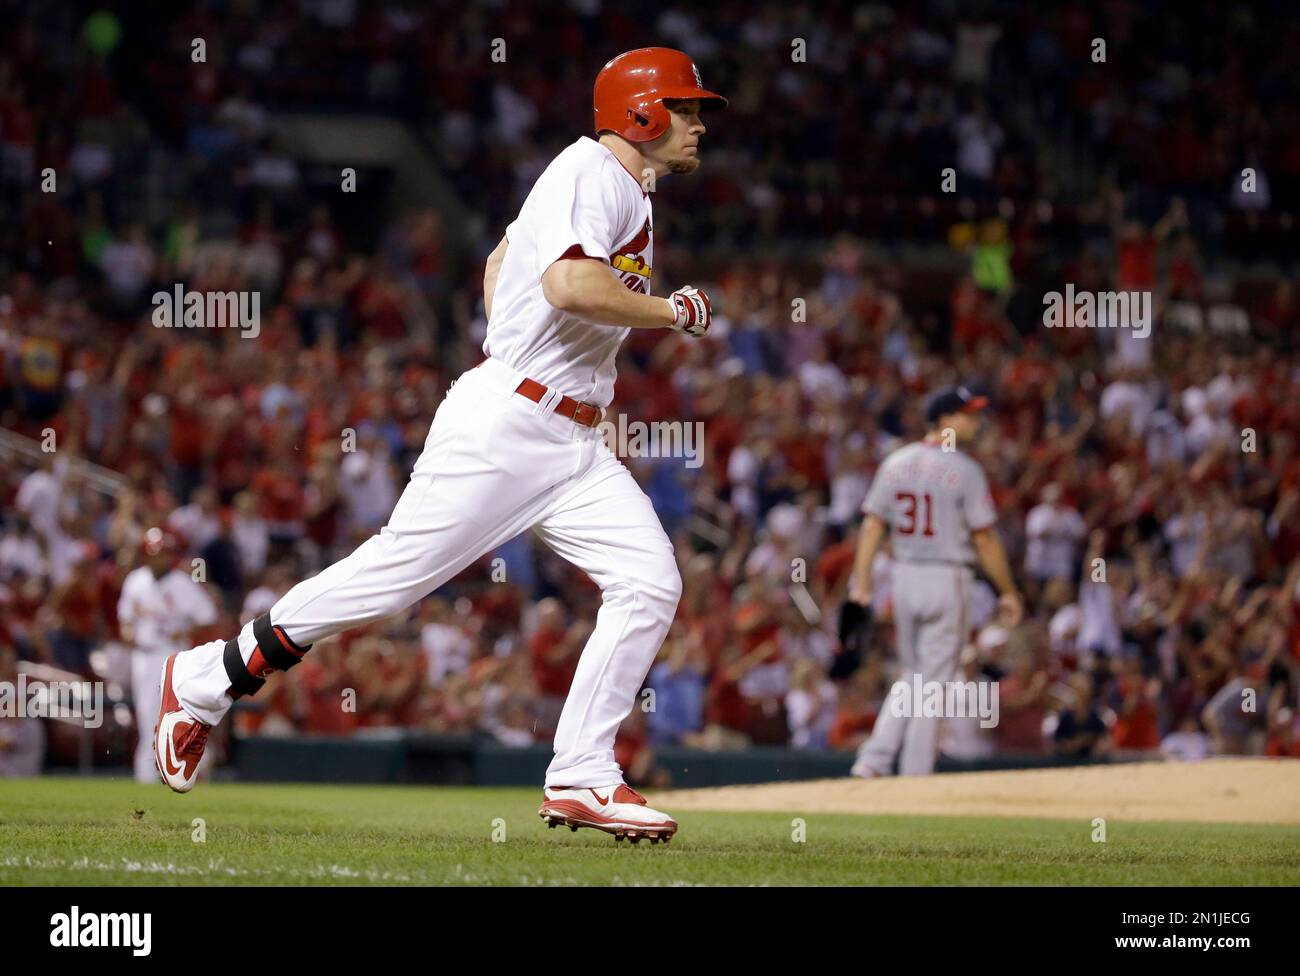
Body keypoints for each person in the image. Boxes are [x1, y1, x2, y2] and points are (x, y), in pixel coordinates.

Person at [153, 48, 726, 844]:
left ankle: (582, 775)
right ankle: (208, 676)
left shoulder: (619, 184)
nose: (699, 123)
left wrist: (514, 319)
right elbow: (566, 286)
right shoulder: (593, 171)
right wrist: (673, 313)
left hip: (573, 439)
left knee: (650, 582)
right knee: (388, 582)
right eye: (687, 107)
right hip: (510, 426)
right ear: (642, 112)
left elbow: (505, 259)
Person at [848, 387, 1024, 777]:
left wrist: (862, 583)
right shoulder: (965, 469)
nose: (975, 423)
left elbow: (874, 524)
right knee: (934, 683)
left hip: (904, 578)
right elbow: (984, 537)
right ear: (944, 420)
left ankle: (873, 760)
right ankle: (915, 773)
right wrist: (1008, 591)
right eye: (968, 415)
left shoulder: (895, 462)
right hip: (948, 577)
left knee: (913, 675)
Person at [118, 527, 218, 783]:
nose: (159, 559)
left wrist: (185, 629)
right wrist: (129, 633)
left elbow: (209, 617)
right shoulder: (135, 580)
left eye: (163, 554)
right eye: (154, 554)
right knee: (147, 717)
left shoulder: (182, 583)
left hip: (174, 657)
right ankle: (146, 779)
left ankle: (195, 768)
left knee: (180, 715)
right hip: (145, 656)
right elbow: (125, 620)